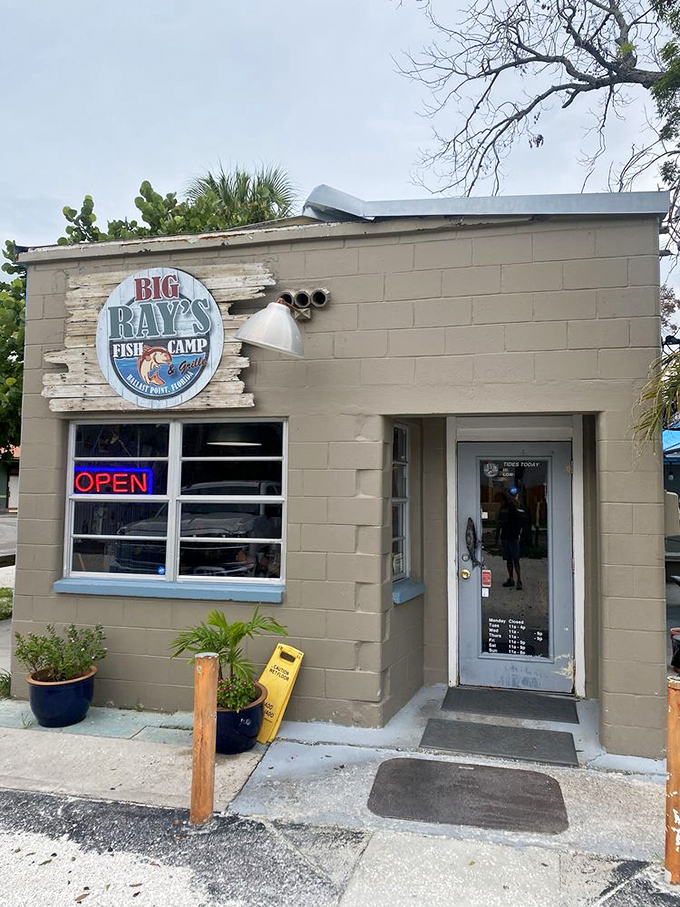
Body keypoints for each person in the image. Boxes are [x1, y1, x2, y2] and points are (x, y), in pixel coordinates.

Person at [497, 487, 524, 591]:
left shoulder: (515, 507)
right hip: (506, 536)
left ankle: (519, 580)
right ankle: (511, 579)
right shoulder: (504, 507)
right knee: (509, 559)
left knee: (515, 560)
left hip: (513, 536)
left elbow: (520, 518)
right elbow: (499, 522)